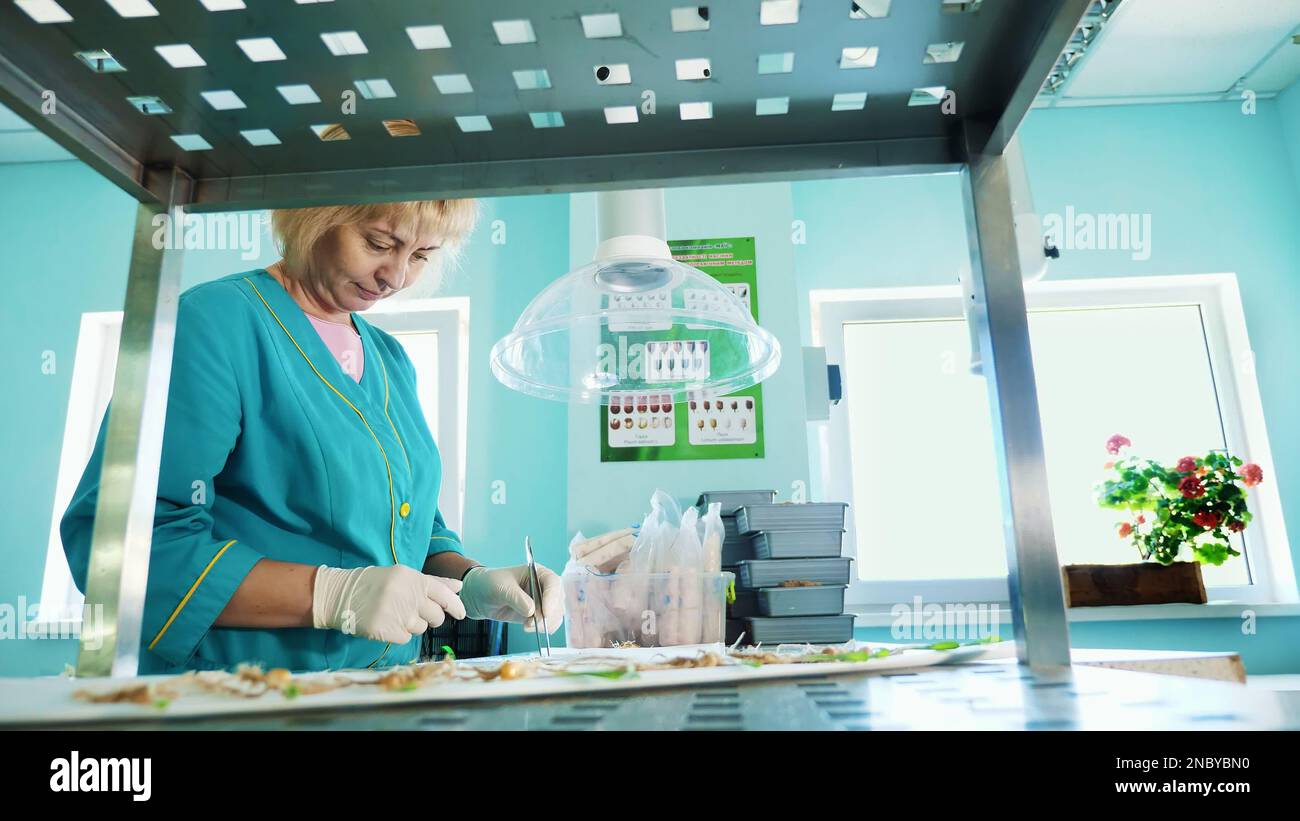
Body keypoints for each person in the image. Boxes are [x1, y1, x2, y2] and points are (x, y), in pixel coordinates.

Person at [61, 200, 565, 673]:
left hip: (372, 693)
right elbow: (122, 547)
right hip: (239, 696)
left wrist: (473, 582)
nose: (396, 276)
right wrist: (329, 595)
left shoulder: (391, 360)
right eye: (378, 243)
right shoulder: (214, 324)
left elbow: (409, 529)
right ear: (314, 216)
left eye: (421, 255)